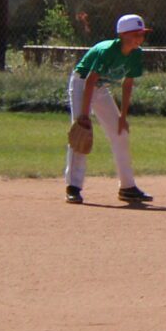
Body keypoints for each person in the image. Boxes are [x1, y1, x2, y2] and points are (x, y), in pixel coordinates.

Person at [65, 12, 152, 206]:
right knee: (81, 132)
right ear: (123, 35)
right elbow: (89, 81)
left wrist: (123, 116)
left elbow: (127, 84)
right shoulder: (107, 50)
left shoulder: (136, 54)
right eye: (136, 34)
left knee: (120, 133)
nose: (140, 38)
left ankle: (127, 188)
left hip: (100, 88)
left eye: (142, 34)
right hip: (82, 83)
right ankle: (73, 187)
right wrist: (84, 116)